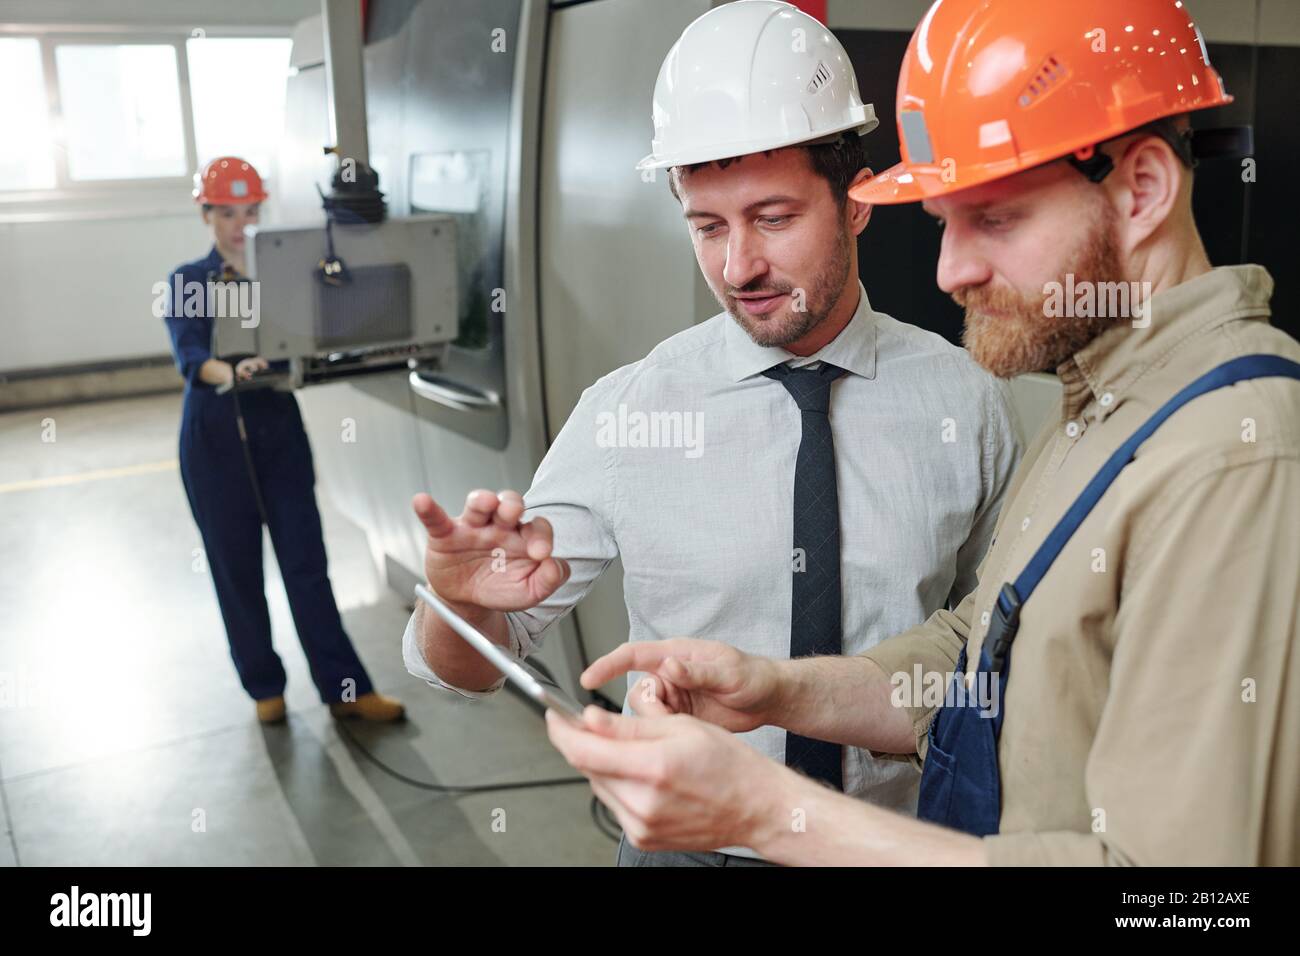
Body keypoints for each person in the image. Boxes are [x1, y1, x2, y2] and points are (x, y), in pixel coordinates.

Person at [544, 0, 1300, 866]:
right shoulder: (1101, 405)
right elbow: (977, 654)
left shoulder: (1236, 451)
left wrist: (765, 814)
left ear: (1142, 189)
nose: (950, 272)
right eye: (946, 224)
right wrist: (777, 690)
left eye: (997, 218)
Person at [401, 0, 1021, 865]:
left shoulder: (968, 402)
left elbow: (995, 638)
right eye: (707, 226)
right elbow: (459, 667)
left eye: (772, 217)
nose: (739, 268)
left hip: (896, 837)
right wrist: (462, 602)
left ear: (856, 203)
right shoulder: (629, 412)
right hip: (686, 850)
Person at [163, 156, 404, 725]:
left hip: (278, 430)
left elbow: (313, 333)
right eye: (227, 213)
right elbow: (191, 358)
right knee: (236, 569)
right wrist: (237, 371)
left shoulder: (283, 272)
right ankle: (264, 687)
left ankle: (345, 689)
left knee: (306, 564)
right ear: (207, 214)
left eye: (250, 211)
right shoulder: (190, 281)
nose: (240, 224)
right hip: (214, 439)